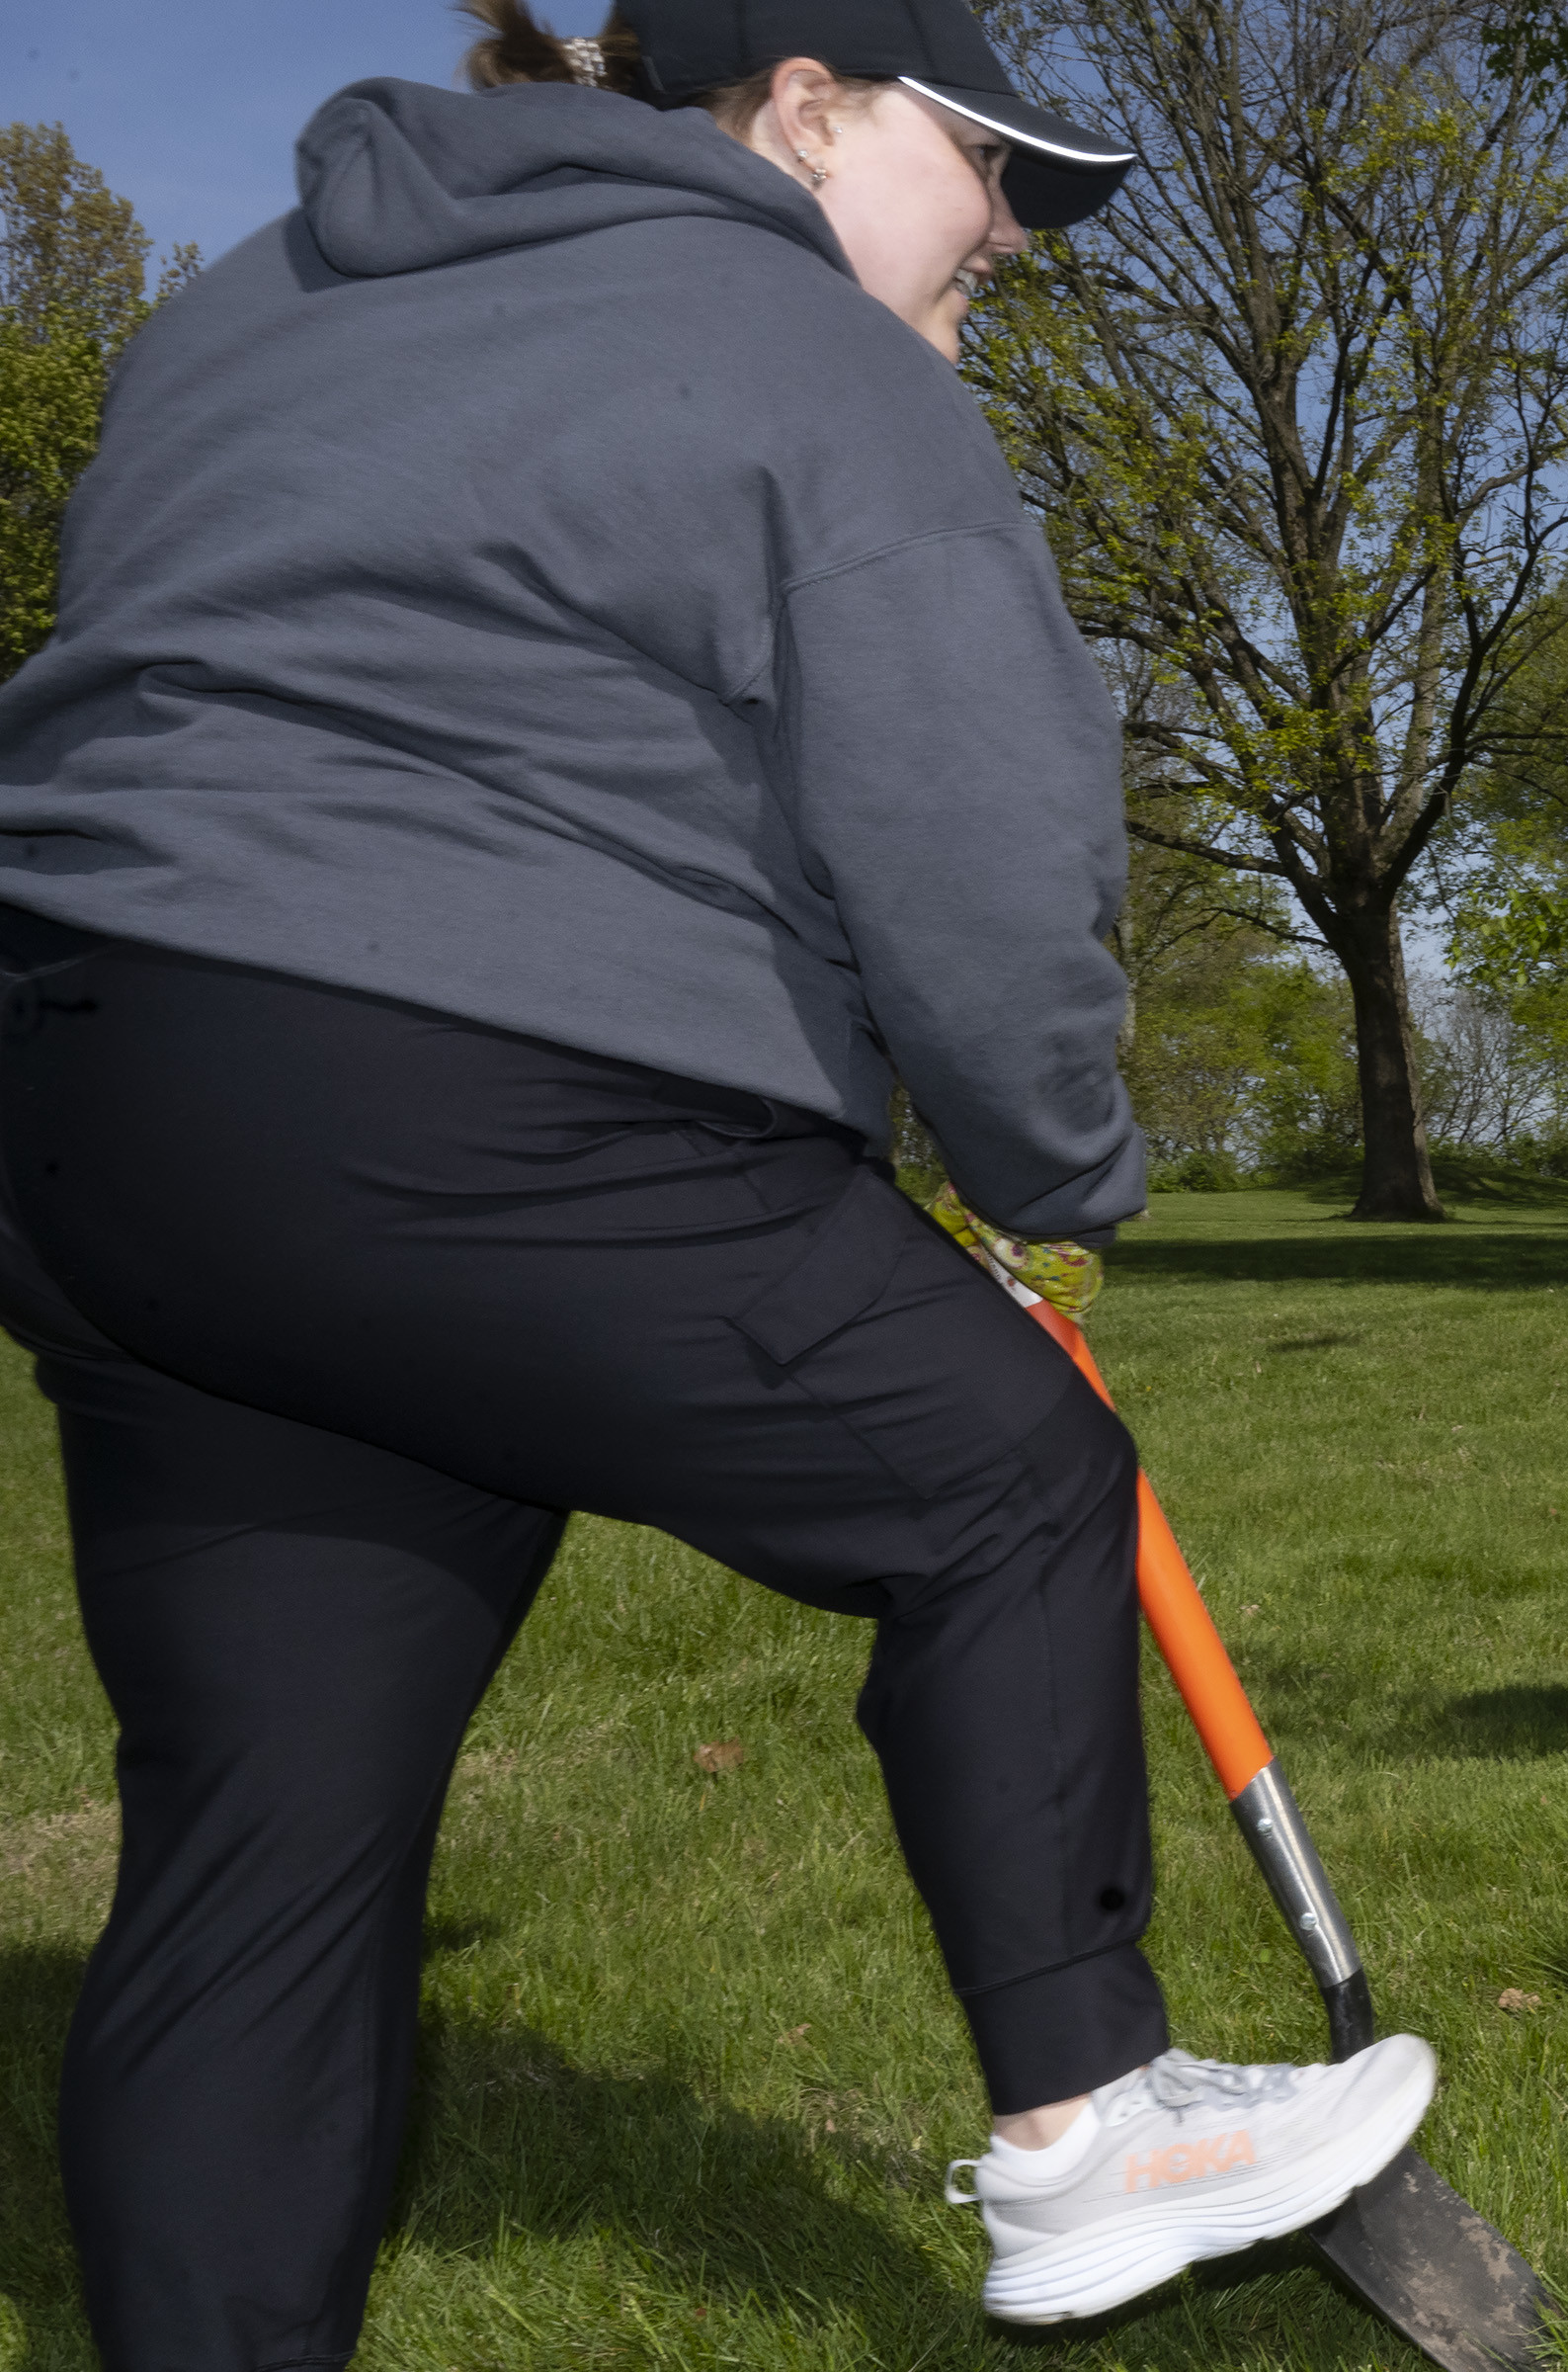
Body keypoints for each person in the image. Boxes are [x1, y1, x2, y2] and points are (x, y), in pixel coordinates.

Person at [0, 1, 1434, 2361]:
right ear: (802, 113)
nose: (1013, 237)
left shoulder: (251, 295)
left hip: (102, 1108)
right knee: (1004, 1477)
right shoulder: (811, 343)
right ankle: (1091, 2117)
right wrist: (1052, 1166)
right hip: (444, 1095)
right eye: (987, 170)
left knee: (265, 1852)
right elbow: (976, 840)